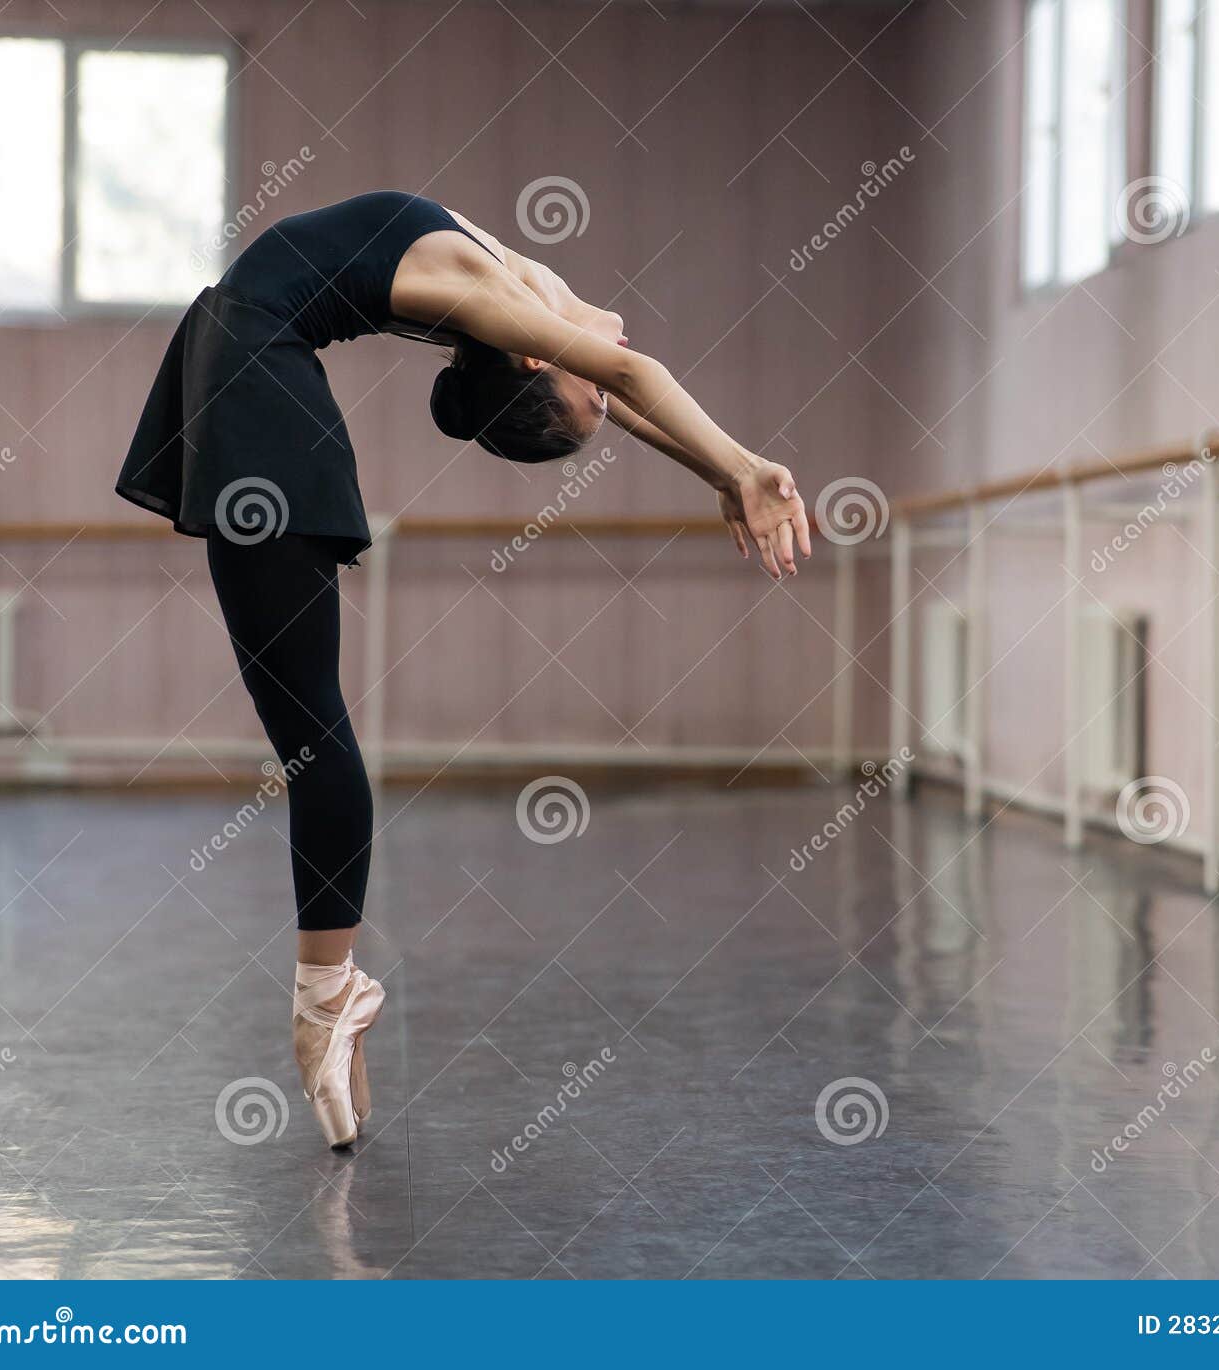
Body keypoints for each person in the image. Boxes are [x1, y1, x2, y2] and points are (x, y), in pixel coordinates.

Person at [115, 191, 812, 1147]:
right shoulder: (487, 291)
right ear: (537, 356)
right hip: (248, 378)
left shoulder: (492, 296)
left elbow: (619, 376)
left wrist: (725, 470)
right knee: (312, 729)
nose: (600, 389)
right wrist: (735, 466)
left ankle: (328, 993)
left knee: (312, 727)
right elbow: (626, 372)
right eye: (590, 398)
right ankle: (325, 997)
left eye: (590, 398)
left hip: (250, 376)